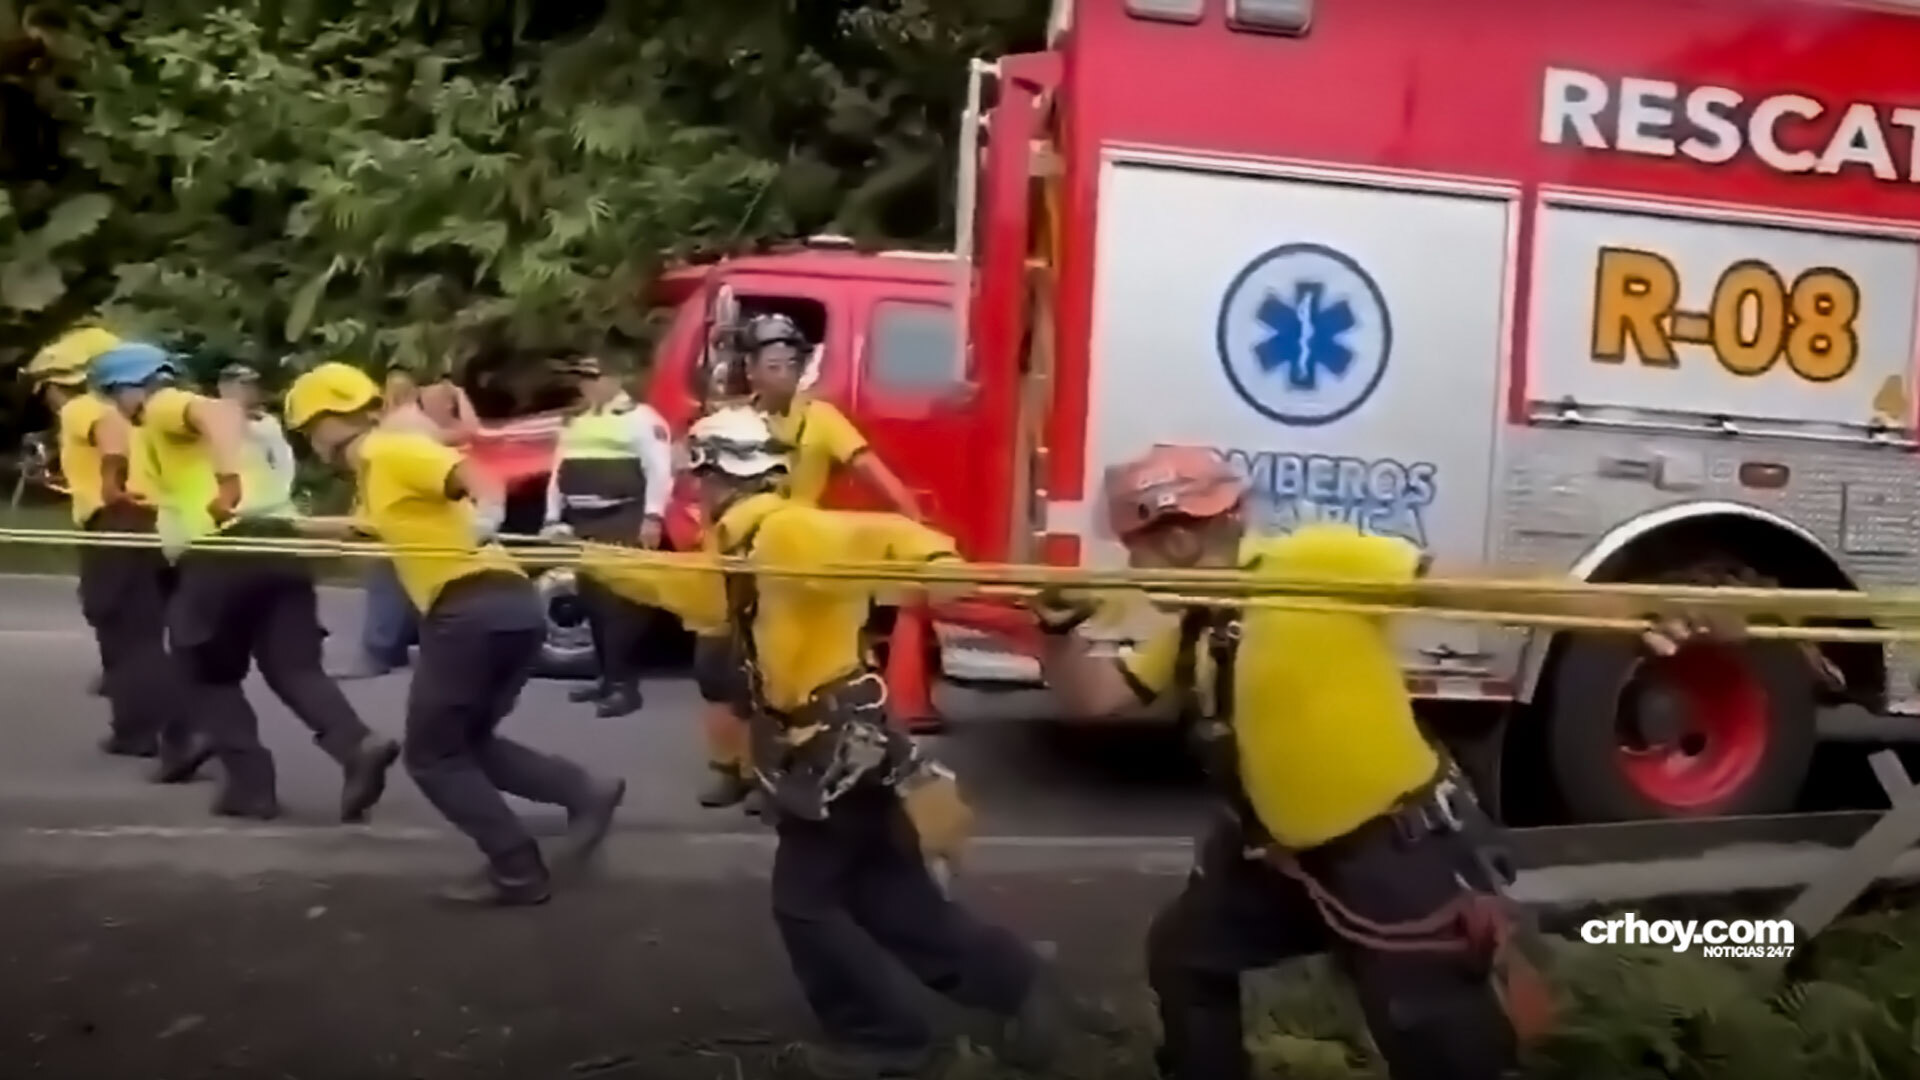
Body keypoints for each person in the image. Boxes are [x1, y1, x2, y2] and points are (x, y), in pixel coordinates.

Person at [584, 406, 1094, 1079]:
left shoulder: (785, 532)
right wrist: (589, 559)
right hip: (847, 740)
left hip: (835, 747)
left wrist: (946, 566)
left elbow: (878, 538)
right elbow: (691, 594)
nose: (693, 493)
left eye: (698, 478)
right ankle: (1017, 985)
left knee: (805, 904)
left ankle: (888, 1040)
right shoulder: (741, 546)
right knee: (891, 897)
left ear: (714, 475)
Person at [1027, 445, 1566, 1080]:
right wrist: (1056, 632)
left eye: (1135, 549)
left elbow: (1483, 591)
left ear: (1175, 542)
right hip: (1289, 866)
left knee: (1439, 1047)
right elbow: (1095, 698)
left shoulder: (1311, 563)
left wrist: (1644, 613)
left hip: (1399, 858)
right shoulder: (1200, 626)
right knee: (1186, 956)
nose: (1132, 568)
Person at [285, 362, 627, 906]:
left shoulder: (387, 452)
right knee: (467, 742)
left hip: (469, 608)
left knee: (432, 755)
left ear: (327, 423)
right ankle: (584, 791)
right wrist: (277, 524)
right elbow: (364, 529)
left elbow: (477, 475)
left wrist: (488, 513)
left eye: (307, 430)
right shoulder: (377, 474)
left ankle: (516, 868)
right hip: (507, 606)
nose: (310, 443)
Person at [94, 342, 399, 823]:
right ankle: (355, 744)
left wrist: (226, 482)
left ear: (131, 387)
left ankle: (250, 786)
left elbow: (221, 414)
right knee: (296, 668)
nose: (117, 410)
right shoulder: (188, 436)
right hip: (279, 547)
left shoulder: (164, 404)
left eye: (114, 398)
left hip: (221, 554)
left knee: (203, 671)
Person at [695, 314, 923, 812]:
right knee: (719, 670)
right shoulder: (733, 422)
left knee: (782, 677)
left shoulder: (822, 420)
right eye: (773, 364)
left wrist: (913, 525)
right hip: (732, 560)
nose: (786, 374)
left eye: (793, 364)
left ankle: (774, 777)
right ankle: (729, 769)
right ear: (750, 370)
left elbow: (872, 472)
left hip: (791, 564)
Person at [24, 328, 206, 779]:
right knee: (153, 624)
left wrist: (110, 476)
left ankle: (151, 732)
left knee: (125, 627)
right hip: (157, 518)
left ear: (57, 381)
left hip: (118, 519)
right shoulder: (140, 408)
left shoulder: (86, 406)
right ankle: (165, 724)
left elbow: (110, 438)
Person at [539, 353, 673, 718]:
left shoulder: (640, 419)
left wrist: (653, 517)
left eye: (592, 377)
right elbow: (558, 472)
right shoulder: (575, 422)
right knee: (594, 603)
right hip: (584, 523)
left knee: (621, 608)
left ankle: (624, 687)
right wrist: (552, 517)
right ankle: (606, 677)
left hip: (622, 519)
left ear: (614, 379)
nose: (585, 384)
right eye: (581, 378)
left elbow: (660, 470)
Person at [335, 364, 479, 679]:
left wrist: (459, 393)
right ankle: (398, 647)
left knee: (389, 583)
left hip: (399, 515)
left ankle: (379, 652)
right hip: (394, 512)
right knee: (406, 583)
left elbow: (466, 434)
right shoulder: (405, 422)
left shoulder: (406, 424)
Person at [216, 363, 297, 509]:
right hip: (231, 509)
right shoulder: (208, 420)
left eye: (253, 385)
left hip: (273, 506)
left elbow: (284, 461)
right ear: (224, 388)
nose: (251, 391)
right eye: (244, 385)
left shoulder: (268, 423)